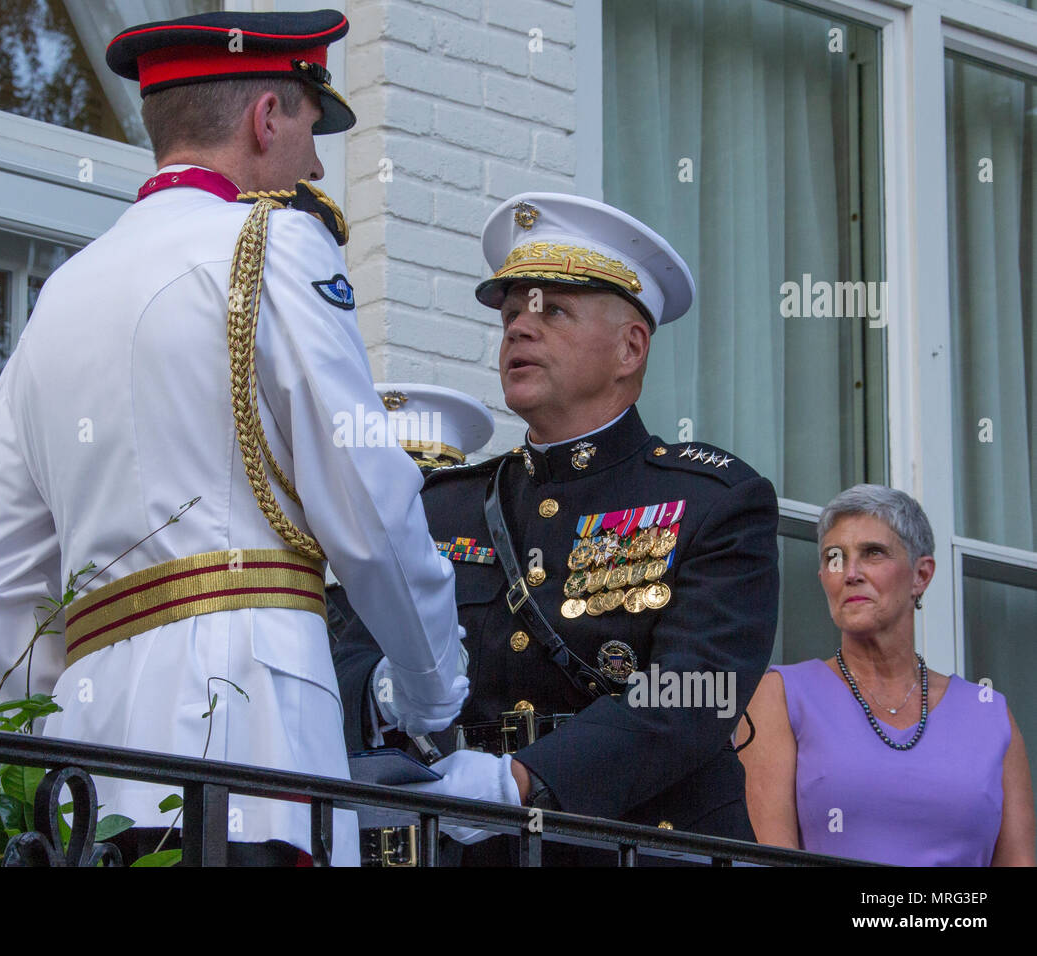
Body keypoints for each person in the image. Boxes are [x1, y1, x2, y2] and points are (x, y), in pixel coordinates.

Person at [0, 9, 468, 867]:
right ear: (267, 118)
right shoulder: (277, 244)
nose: (315, 161)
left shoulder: (61, 296)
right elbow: (371, 508)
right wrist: (433, 693)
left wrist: (82, 687)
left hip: (91, 787)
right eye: (307, 123)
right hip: (252, 750)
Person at [331, 193, 781, 864]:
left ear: (631, 347)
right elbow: (344, 650)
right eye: (511, 314)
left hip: (637, 848)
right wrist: (385, 690)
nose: (518, 329)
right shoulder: (440, 506)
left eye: (552, 312)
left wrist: (520, 782)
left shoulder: (712, 500)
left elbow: (696, 687)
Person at [738, 484, 1036, 866]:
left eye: (873, 553)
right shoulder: (779, 695)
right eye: (835, 557)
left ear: (921, 575)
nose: (850, 573)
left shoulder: (990, 714)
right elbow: (769, 859)